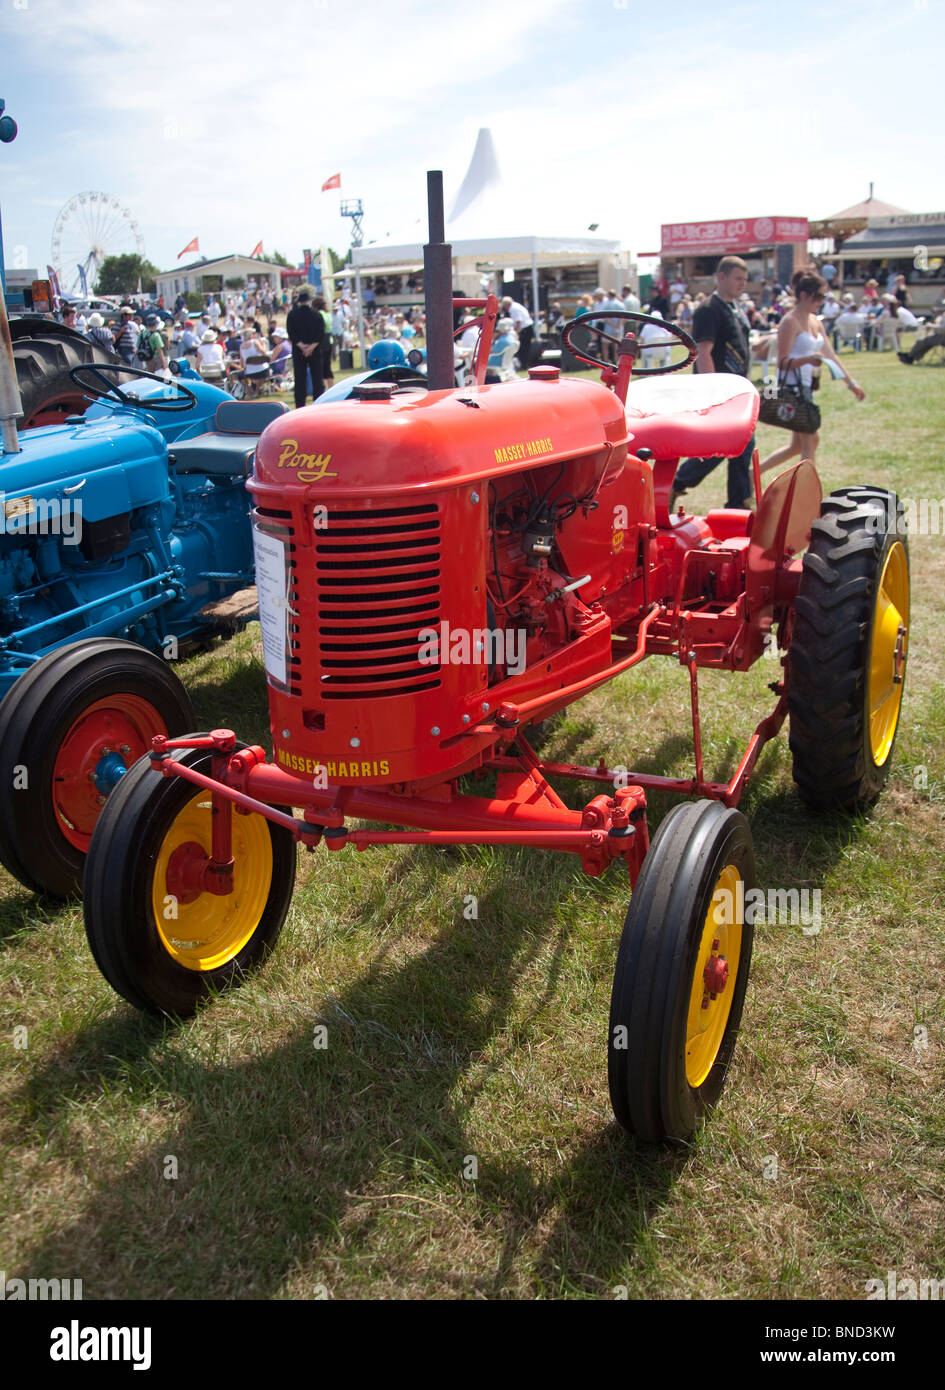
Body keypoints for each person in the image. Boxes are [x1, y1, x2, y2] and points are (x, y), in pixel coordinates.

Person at [669, 255, 756, 511]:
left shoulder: (734, 309)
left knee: (743, 443)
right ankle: (678, 481)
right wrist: (713, 390)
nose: (742, 284)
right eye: (737, 278)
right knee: (730, 444)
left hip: (736, 387)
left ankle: (738, 503)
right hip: (719, 389)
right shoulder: (709, 309)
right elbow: (704, 350)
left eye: (745, 279)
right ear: (721, 277)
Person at [759, 270, 865, 475]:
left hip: (806, 387)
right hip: (792, 388)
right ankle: (805, 492)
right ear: (804, 295)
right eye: (819, 297)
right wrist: (808, 359)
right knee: (809, 440)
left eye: (824, 297)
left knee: (800, 444)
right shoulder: (790, 322)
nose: (821, 301)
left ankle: (750, 477)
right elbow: (782, 362)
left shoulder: (815, 321)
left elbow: (831, 355)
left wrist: (851, 384)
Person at [286, 288, 326, 407]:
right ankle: (318, 403)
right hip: (315, 349)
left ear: (299, 301)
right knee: (317, 379)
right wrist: (311, 347)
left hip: (299, 350)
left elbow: (291, 332)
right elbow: (321, 333)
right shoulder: (317, 314)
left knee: (300, 379)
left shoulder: (292, 314)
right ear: (309, 301)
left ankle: (300, 405)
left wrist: (302, 346)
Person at [500, 295, 534, 369]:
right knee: (525, 348)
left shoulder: (513, 309)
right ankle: (524, 365)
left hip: (525, 329)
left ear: (507, 304)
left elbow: (518, 322)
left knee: (523, 349)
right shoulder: (516, 306)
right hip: (527, 328)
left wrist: (515, 333)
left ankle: (523, 365)